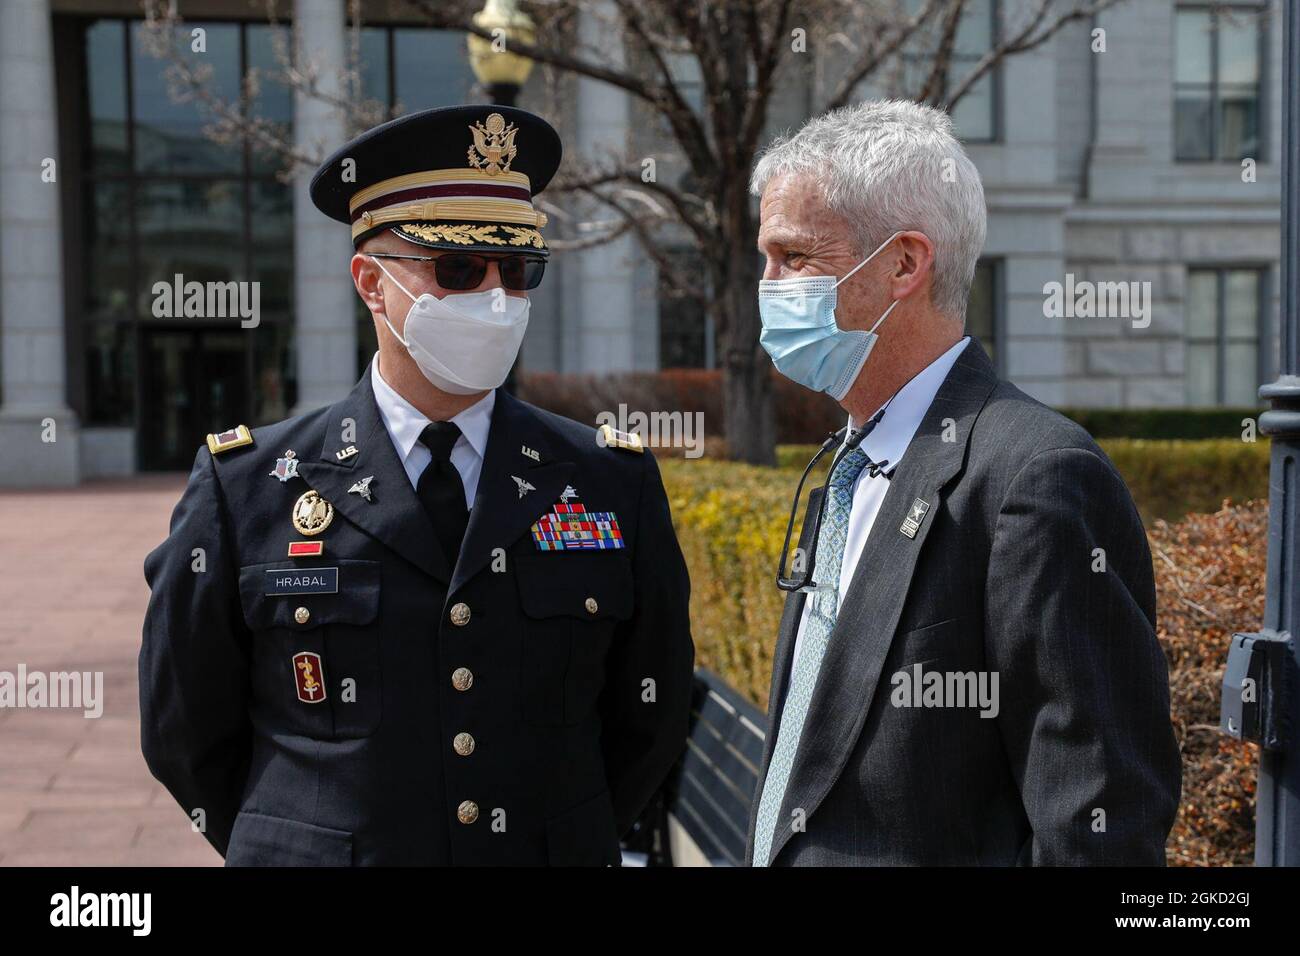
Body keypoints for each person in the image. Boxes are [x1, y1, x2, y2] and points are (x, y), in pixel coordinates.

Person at [140, 105, 695, 866]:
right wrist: (299, 837)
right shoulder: (248, 486)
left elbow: (648, 718)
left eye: (518, 270)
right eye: (460, 269)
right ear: (371, 281)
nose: (497, 298)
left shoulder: (607, 479)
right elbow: (185, 729)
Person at [745, 100, 1181, 866]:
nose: (769, 285)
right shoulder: (854, 457)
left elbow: (1098, 823)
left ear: (904, 265)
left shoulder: (1038, 478)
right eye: (767, 259)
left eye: (794, 257)